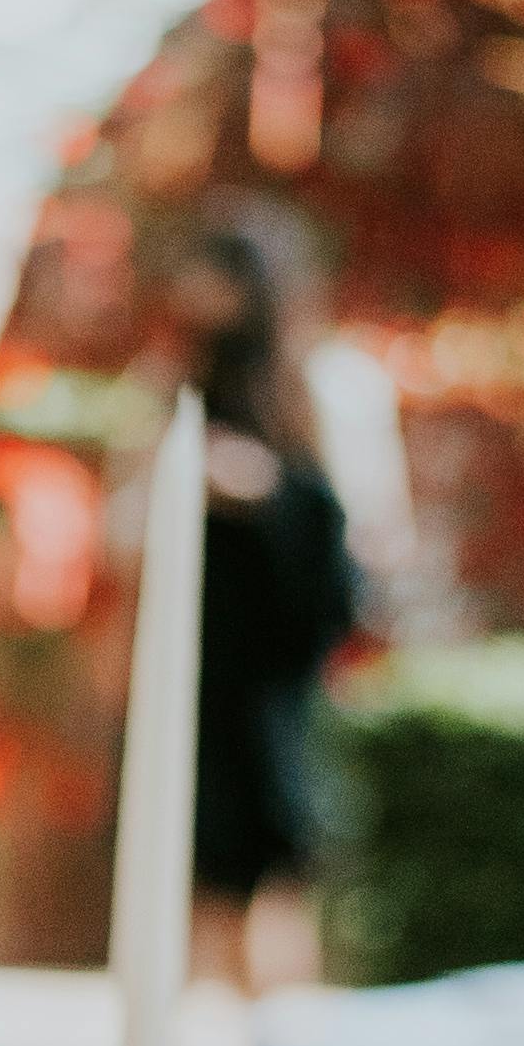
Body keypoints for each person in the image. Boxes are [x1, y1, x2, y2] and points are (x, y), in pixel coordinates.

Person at [168, 225, 357, 992]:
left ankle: (277, 1031)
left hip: (275, 668)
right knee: (201, 859)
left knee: (280, 864)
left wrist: (266, 491)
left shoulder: (312, 390)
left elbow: (343, 532)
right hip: (202, 657)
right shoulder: (175, 386)